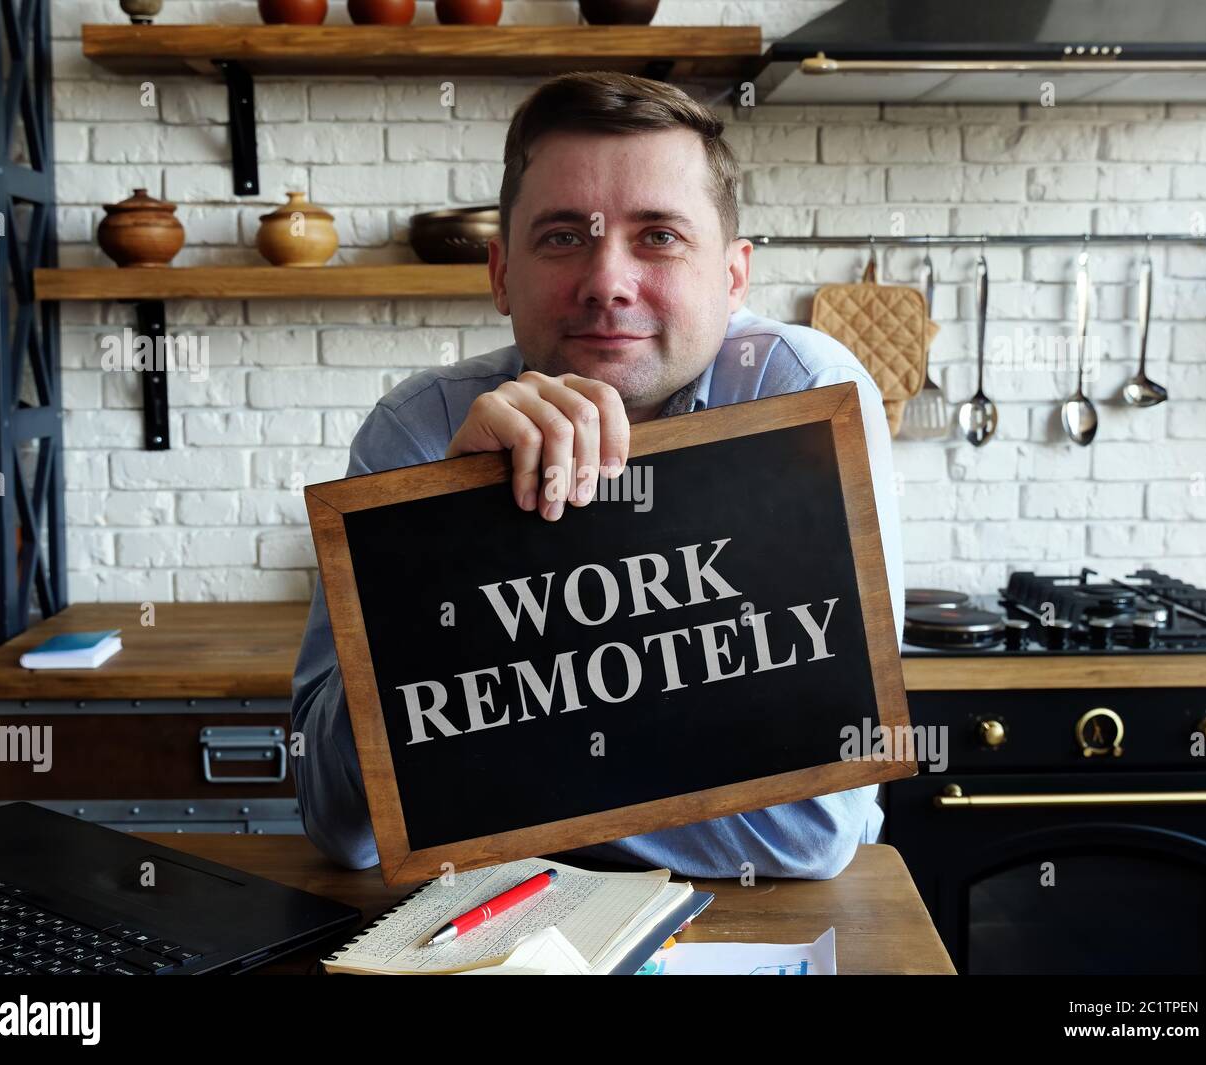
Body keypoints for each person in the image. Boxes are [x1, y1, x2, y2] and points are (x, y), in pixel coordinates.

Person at [291, 70, 904, 879]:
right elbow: (341, 821)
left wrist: (483, 797)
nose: (608, 281)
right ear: (501, 274)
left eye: (659, 236)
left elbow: (809, 833)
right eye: (563, 237)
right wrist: (445, 537)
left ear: (732, 275)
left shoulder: (802, 397)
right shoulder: (419, 430)